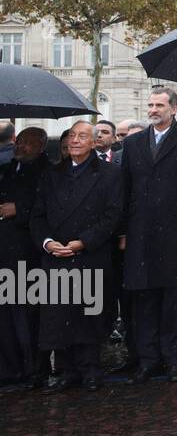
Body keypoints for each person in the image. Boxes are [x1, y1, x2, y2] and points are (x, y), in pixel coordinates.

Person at [118, 87, 177, 384]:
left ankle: (173, 362)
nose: (153, 110)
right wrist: (123, 231)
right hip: (141, 233)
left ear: (173, 108)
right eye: (150, 105)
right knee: (144, 300)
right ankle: (148, 360)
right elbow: (125, 189)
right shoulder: (132, 144)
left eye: (159, 105)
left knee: (174, 302)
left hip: (176, 234)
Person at [31, 121, 124, 392]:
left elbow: (113, 215)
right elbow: (37, 215)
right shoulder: (51, 174)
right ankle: (65, 370)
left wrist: (83, 241)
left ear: (94, 142)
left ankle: (90, 369)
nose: (75, 141)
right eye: (72, 136)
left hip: (89, 255)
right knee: (58, 316)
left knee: (88, 315)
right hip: (55, 255)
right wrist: (48, 243)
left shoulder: (110, 174)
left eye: (82, 136)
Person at [0, 128, 49, 388]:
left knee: (28, 315)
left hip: (28, 254)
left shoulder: (47, 171)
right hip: (5, 252)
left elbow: (48, 205)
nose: (22, 147)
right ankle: (11, 368)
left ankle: (34, 369)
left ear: (41, 146)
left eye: (29, 143)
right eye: (20, 141)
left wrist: (19, 209)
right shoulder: (9, 168)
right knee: (7, 315)